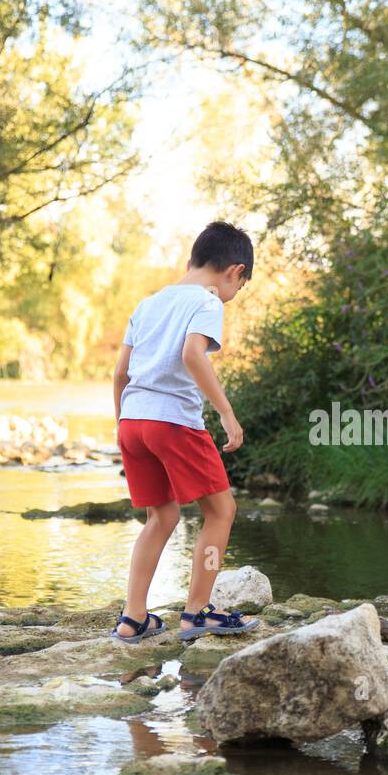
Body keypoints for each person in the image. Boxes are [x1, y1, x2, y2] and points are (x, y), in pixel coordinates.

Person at [109, 221, 261, 644]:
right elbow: (193, 353)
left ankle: (133, 618)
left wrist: (123, 424)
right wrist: (227, 413)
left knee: (161, 516)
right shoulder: (208, 301)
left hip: (133, 422)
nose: (234, 295)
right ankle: (197, 611)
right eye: (240, 286)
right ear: (235, 271)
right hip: (174, 422)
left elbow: (121, 372)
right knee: (220, 512)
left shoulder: (148, 304)